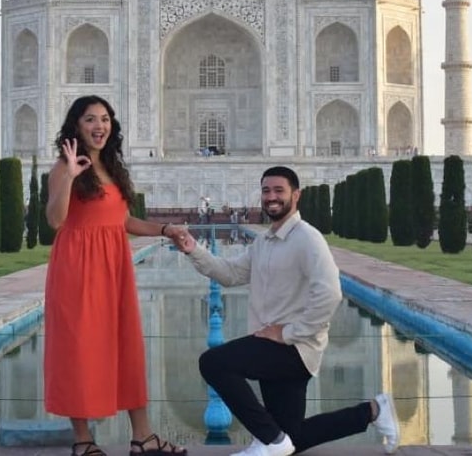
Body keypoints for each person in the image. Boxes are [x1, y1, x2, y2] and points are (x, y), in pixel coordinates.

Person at [175, 166, 400, 456]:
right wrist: (193, 248)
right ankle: (373, 411)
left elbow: (330, 293)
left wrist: (289, 332)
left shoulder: (307, 238)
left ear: (296, 195)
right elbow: (229, 274)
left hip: (294, 348)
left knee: (214, 363)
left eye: (279, 190)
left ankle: (268, 440)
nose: (271, 197)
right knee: (292, 439)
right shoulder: (264, 242)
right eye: (266, 190)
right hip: (276, 347)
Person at [43, 95, 191, 456]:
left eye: (105, 119)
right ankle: (83, 441)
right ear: (76, 125)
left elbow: (122, 222)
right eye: (91, 119)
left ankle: (143, 436)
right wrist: (71, 177)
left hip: (114, 266)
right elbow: (56, 220)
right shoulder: (65, 167)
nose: (99, 126)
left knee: (125, 347)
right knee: (78, 350)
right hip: (78, 268)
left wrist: (165, 229)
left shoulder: (113, 168)